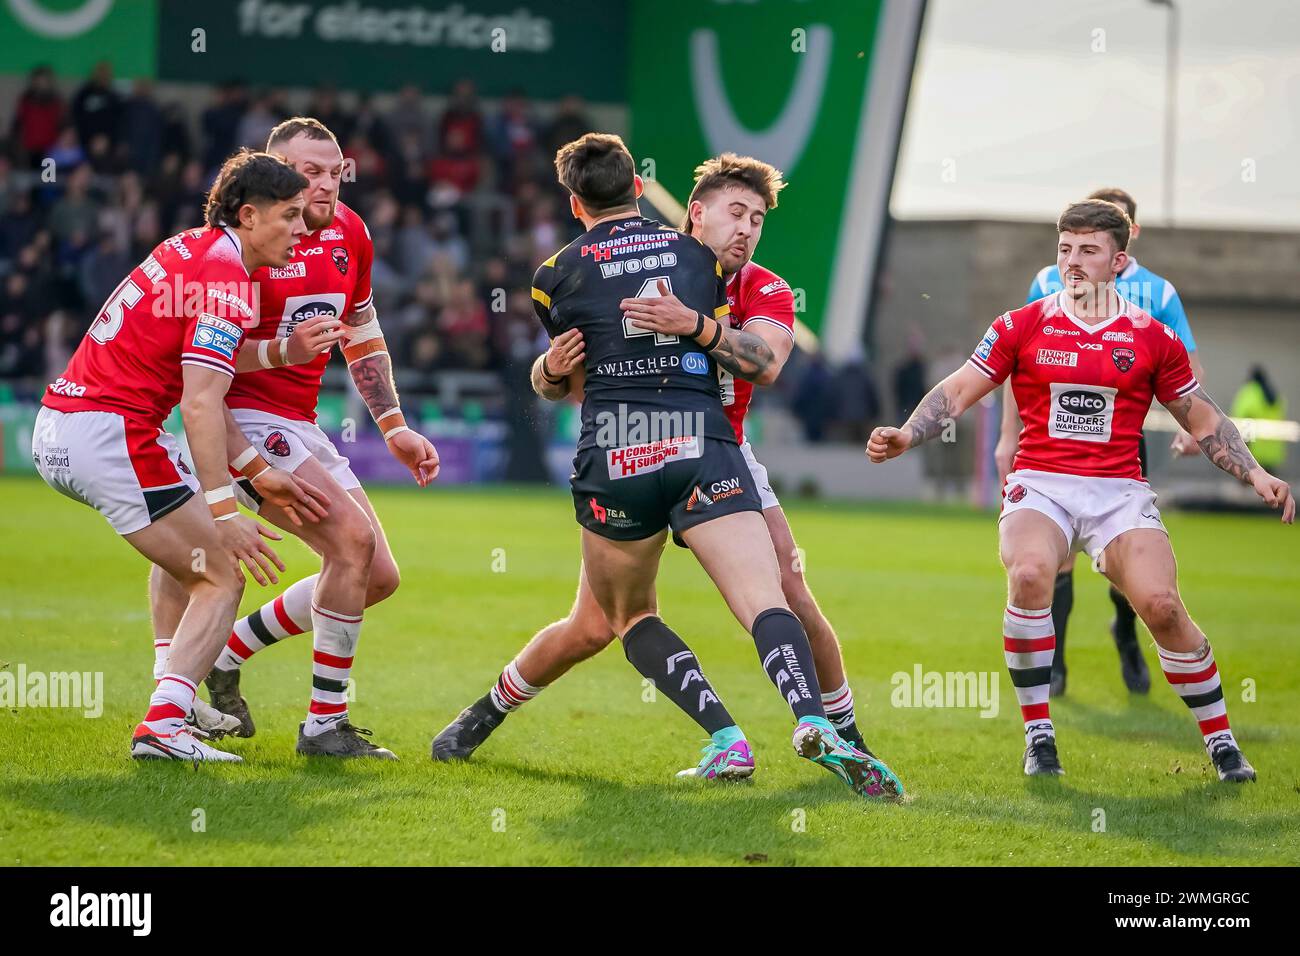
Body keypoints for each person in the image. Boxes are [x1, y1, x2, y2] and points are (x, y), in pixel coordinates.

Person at [435, 134, 901, 799]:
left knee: (790, 592)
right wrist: (547, 371)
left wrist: (694, 326)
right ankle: (482, 717)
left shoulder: (762, 287)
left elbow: (767, 365)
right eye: (736, 213)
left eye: (757, 219)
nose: (747, 230)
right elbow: (569, 382)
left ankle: (841, 734)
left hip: (714, 447)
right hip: (677, 446)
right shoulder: (653, 265)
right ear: (695, 213)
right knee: (590, 626)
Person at [868, 199, 1292, 782]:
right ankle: (1039, 736)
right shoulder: (1019, 325)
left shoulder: (1152, 337)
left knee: (1163, 607)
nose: (1072, 261)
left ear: (1119, 261)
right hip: (1041, 484)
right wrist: (907, 434)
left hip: (1118, 491)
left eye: (1088, 250)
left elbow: (1201, 418)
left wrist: (1256, 474)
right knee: (1029, 575)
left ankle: (1222, 743)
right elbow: (959, 389)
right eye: (1065, 248)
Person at [32, 150, 331, 762]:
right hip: (112, 433)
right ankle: (163, 725)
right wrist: (226, 509)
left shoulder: (191, 249)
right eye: (290, 215)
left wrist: (280, 356)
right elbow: (200, 403)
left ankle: (178, 696)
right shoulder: (228, 278)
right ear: (249, 215)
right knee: (221, 574)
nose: (302, 230)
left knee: (190, 560)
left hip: (62, 426)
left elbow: (202, 362)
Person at [176, 118, 440, 760]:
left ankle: (227, 650)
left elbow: (362, 329)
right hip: (242, 420)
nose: (326, 185)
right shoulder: (243, 245)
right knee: (352, 544)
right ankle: (325, 726)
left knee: (377, 576)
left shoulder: (351, 232)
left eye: (335, 172)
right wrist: (281, 352)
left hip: (299, 421)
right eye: (309, 173)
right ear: (275, 176)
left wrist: (394, 426)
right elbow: (198, 363)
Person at [995, 187, 1205, 697]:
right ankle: (1055, 663)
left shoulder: (1158, 293)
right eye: (1071, 245)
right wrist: (1007, 437)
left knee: (1128, 568)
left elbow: (1186, 368)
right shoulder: (1049, 281)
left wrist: (1191, 425)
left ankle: (1127, 637)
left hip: (1121, 445)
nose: (1077, 256)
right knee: (1052, 560)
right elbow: (1018, 360)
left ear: (1128, 239)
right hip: (1050, 449)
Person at [1230, 366, 1286, 473]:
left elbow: (1245, 416)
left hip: (1253, 451)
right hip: (1272, 451)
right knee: (1270, 481)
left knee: (1249, 479)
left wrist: (1243, 445)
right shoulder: (1274, 394)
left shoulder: (1250, 392)